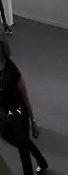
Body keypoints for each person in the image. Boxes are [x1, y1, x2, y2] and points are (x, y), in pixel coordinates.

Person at [0, 37, 47, 175]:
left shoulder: (12, 70)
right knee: (19, 141)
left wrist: (33, 122)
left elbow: (25, 97)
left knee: (23, 148)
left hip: (18, 114)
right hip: (3, 114)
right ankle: (42, 161)